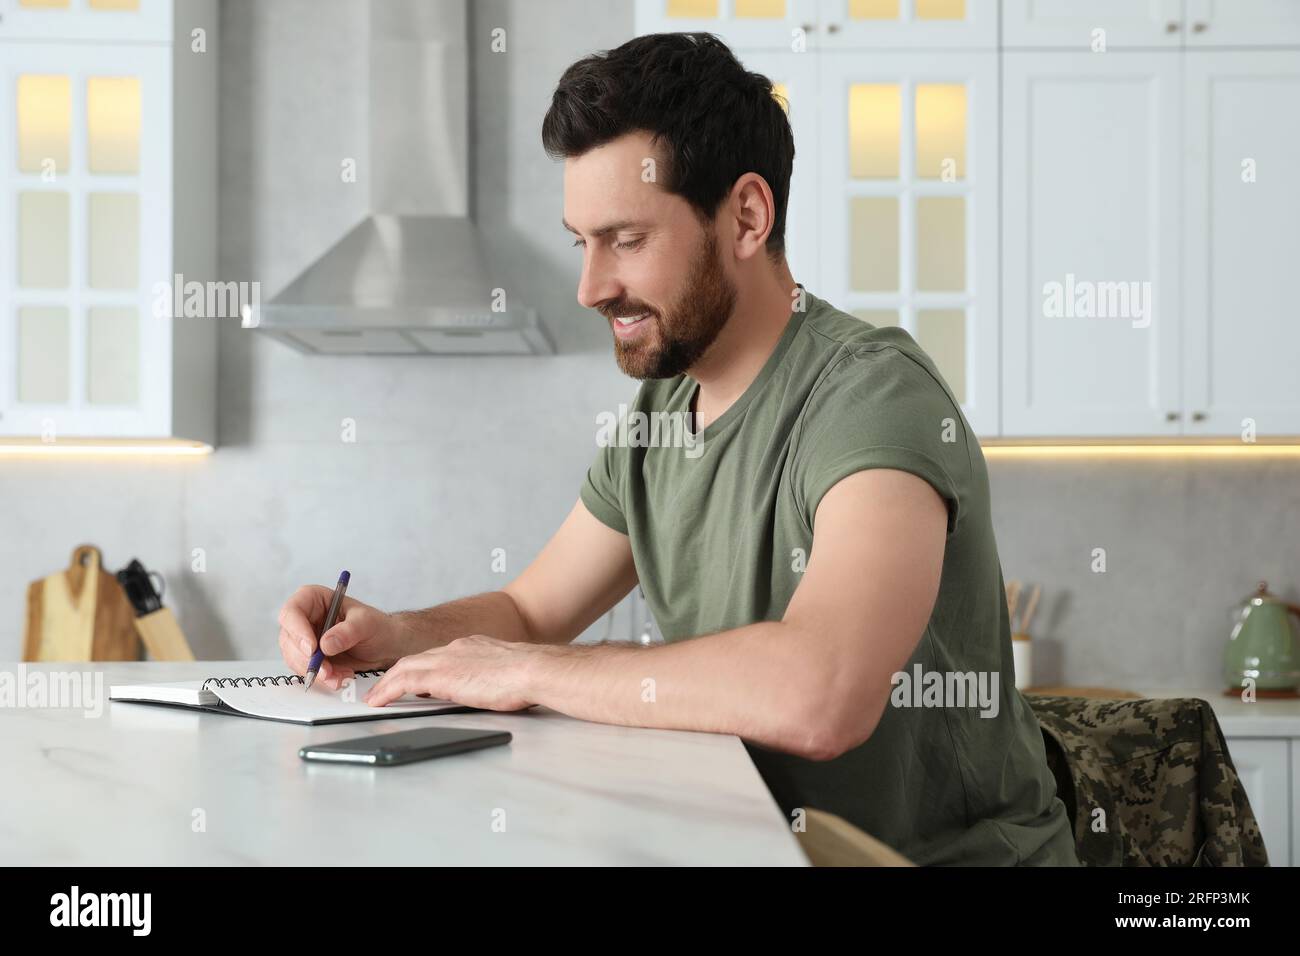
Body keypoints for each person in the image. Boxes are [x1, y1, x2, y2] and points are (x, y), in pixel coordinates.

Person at [277, 32, 1078, 866]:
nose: (590, 287)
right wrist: (395, 634)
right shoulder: (660, 412)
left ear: (746, 217)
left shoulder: (872, 394)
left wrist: (530, 672)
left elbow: (823, 694)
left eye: (625, 240)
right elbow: (529, 614)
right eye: (580, 241)